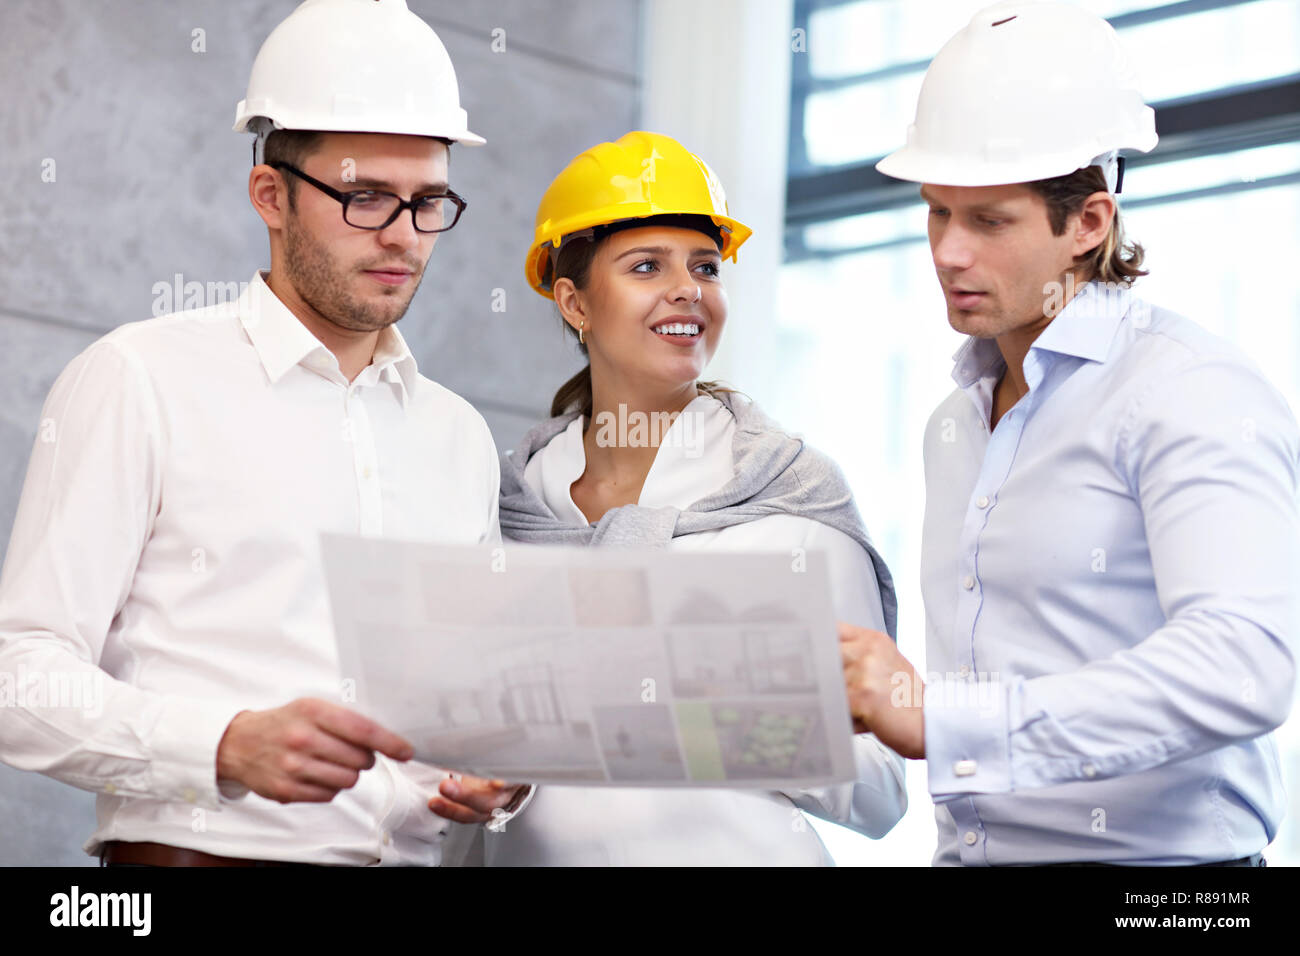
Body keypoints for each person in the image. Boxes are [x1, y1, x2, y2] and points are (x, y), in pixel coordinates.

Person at [0, 0, 525, 866]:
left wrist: (501, 776)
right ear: (270, 195)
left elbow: (475, 699)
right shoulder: (142, 378)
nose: (402, 235)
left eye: (428, 203)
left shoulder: (458, 437)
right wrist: (222, 744)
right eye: (363, 197)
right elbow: (20, 677)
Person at [839, 0, 1298, 866]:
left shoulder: (1188, 391)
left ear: (1088, 223)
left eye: (989, 220)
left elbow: (1243, 667)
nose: (947, 252)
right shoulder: (954, 421)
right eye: (938, 212)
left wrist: (949, 720)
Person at [488, 131, 907, 865]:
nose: (688, 288)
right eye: (647, 265)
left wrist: (709, 712)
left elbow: (880, 790)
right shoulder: (506, 505)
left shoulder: (789, 496)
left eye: (706, 267)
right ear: (574, 300)